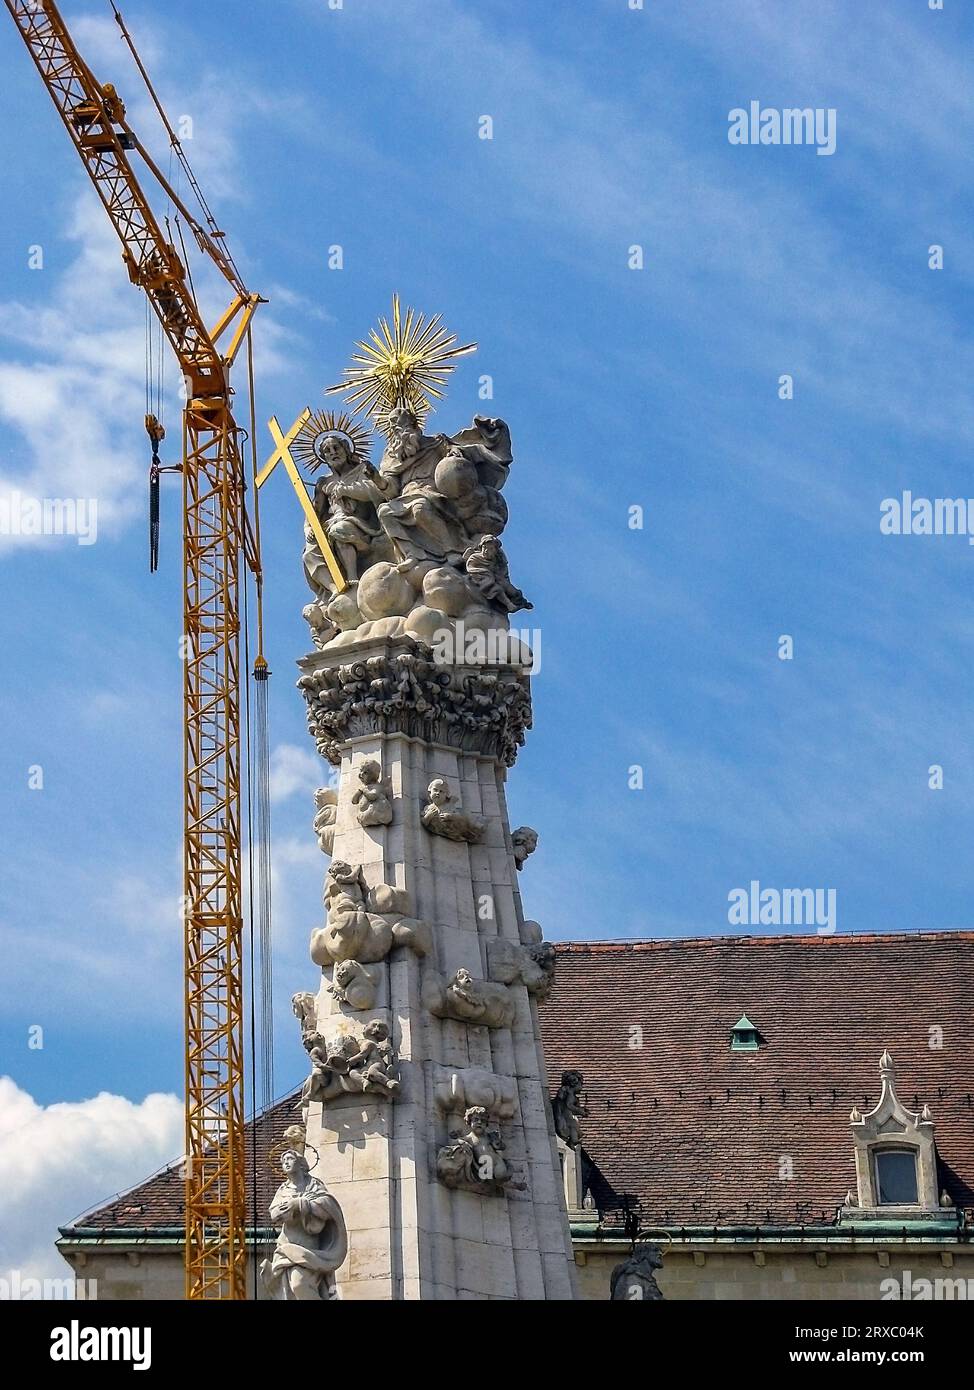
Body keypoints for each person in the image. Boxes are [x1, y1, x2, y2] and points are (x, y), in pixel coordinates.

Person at [260, 1146, 348, 1301]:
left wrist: (300, 1204)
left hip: (308, 1247)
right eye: (283, 1161)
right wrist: (287, 1209)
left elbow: (328, 1206)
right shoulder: (283, 1189)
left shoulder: (313, 1185)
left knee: (298, 1284)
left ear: (300, 1163)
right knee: (291, 1291)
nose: (285, 1163)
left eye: (289, 1159)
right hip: (286, 1245)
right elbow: (274, 1214)